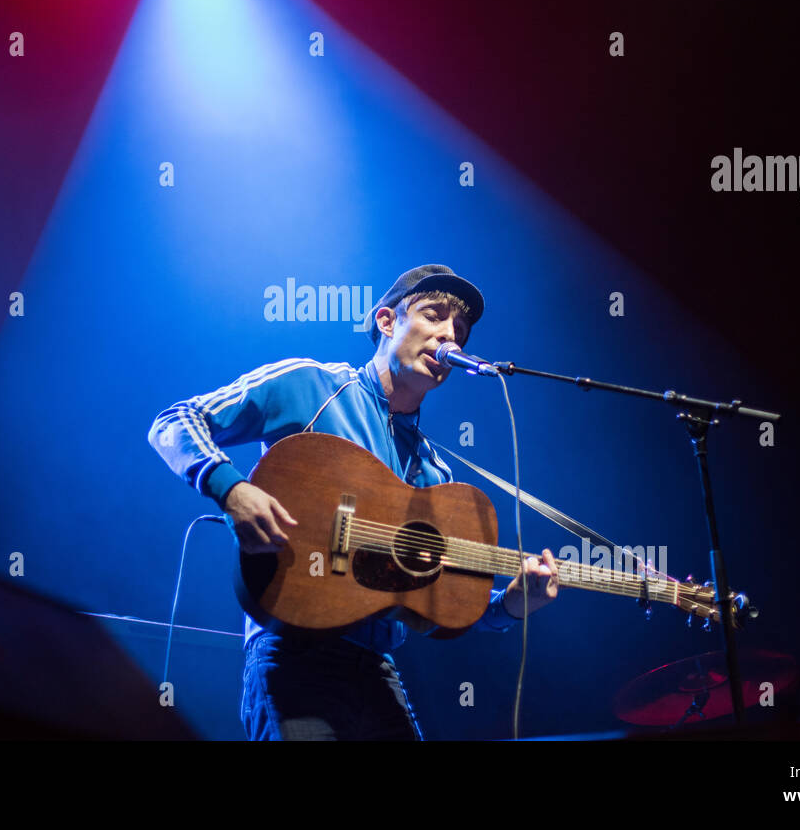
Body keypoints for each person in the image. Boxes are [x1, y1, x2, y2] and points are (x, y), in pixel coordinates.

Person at [148, 265, 559, 739]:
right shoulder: (312, 385)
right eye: (434, 316)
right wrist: (232, 488)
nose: (451, 337)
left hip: (377, 673)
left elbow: (443, 605)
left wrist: (509, 605)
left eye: (460, 331)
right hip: (291, 655)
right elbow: (176, 421)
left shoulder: (434, 474)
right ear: (386, 322)